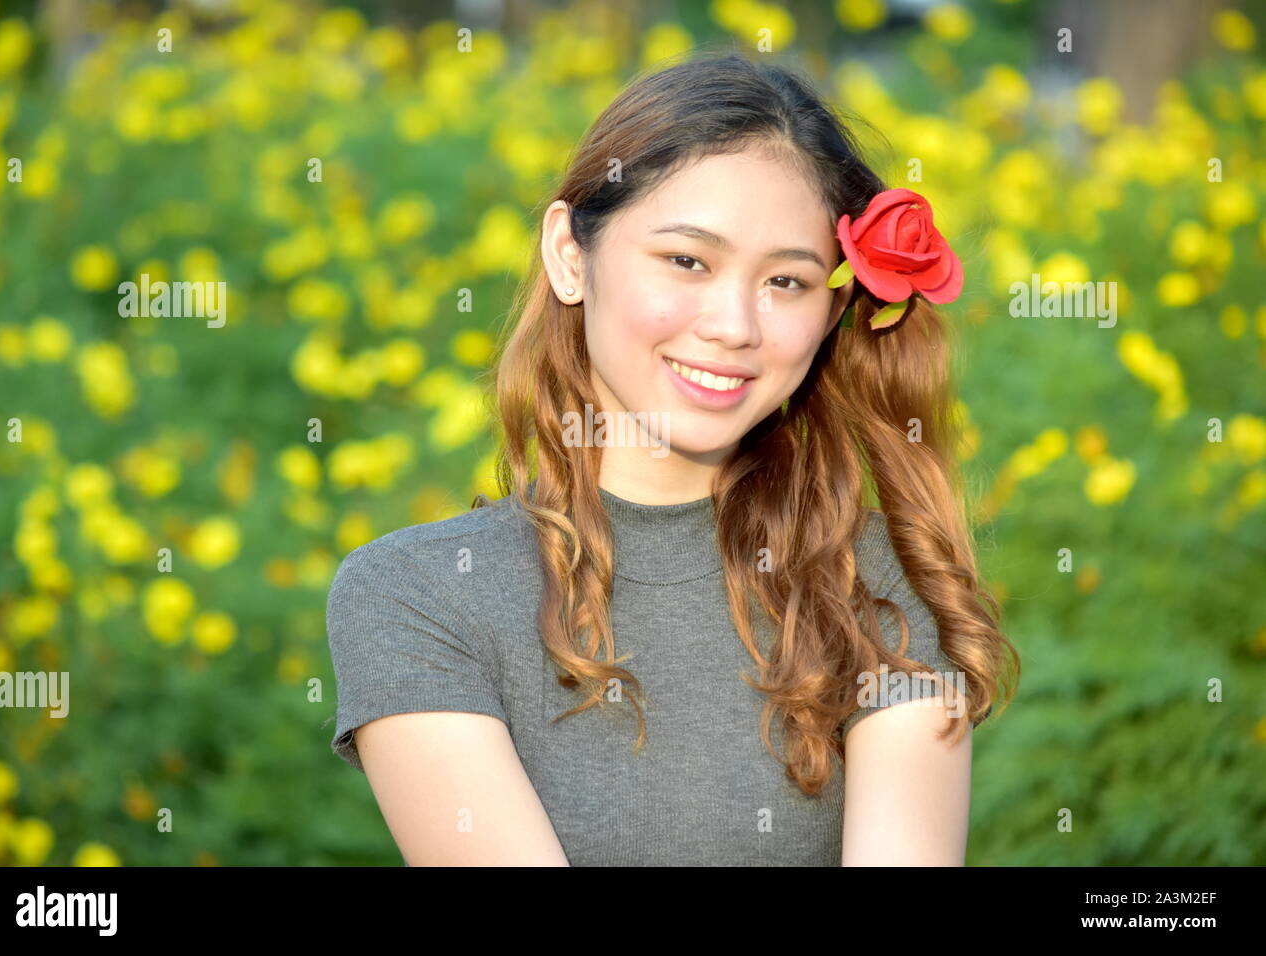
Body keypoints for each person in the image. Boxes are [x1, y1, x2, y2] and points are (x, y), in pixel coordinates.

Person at [326, 50, 1019, 866]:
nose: (735, 324)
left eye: (787, 282)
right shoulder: (419, 595)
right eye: (687, 261)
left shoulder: (888, 583)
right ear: (568, 255)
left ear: (834, 311)